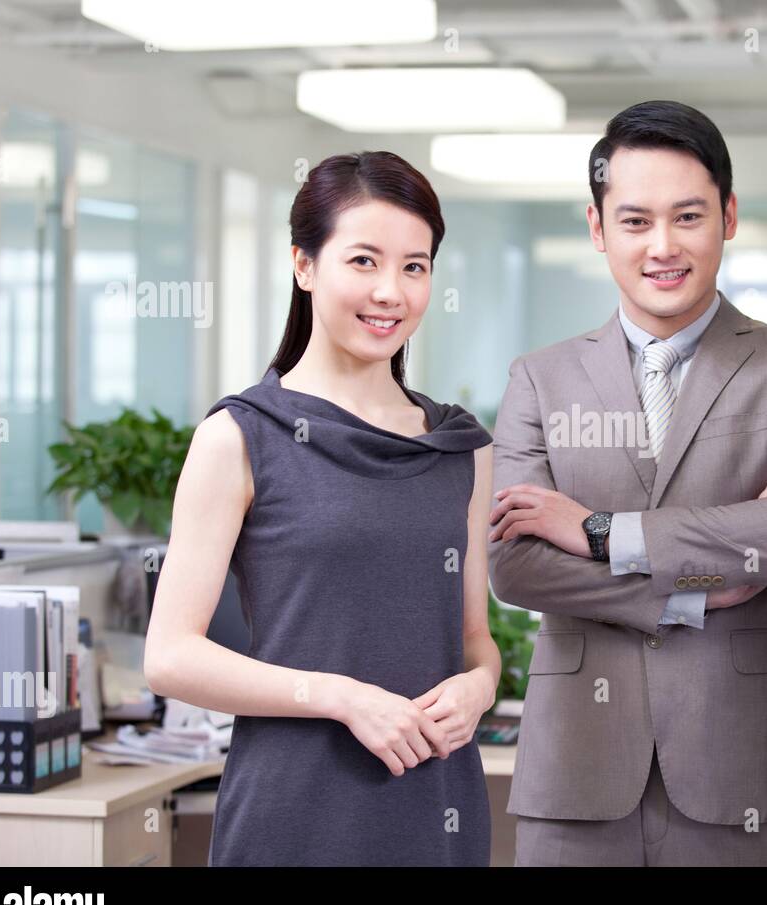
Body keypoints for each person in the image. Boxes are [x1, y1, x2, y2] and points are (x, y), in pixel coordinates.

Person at [487, 100, 767, 866]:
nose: (663, 246)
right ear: (598, 228)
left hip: (748, 765)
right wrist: (694, 595)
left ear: (728, 216)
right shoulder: (539, 379)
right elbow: (516, 564)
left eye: (688, 217)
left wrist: (598, 532)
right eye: (635, 221)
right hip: (578, 771)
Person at [144, 151, 500, 866]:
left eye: (415, 266)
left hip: (436, 803)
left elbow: (473, 640)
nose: (390, 292)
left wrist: (480, 687)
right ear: (304, 266)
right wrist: (340, 696)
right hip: (294, 810)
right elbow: (170, 656)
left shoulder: (460, 447)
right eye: (363, 261)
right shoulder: (240, 436)